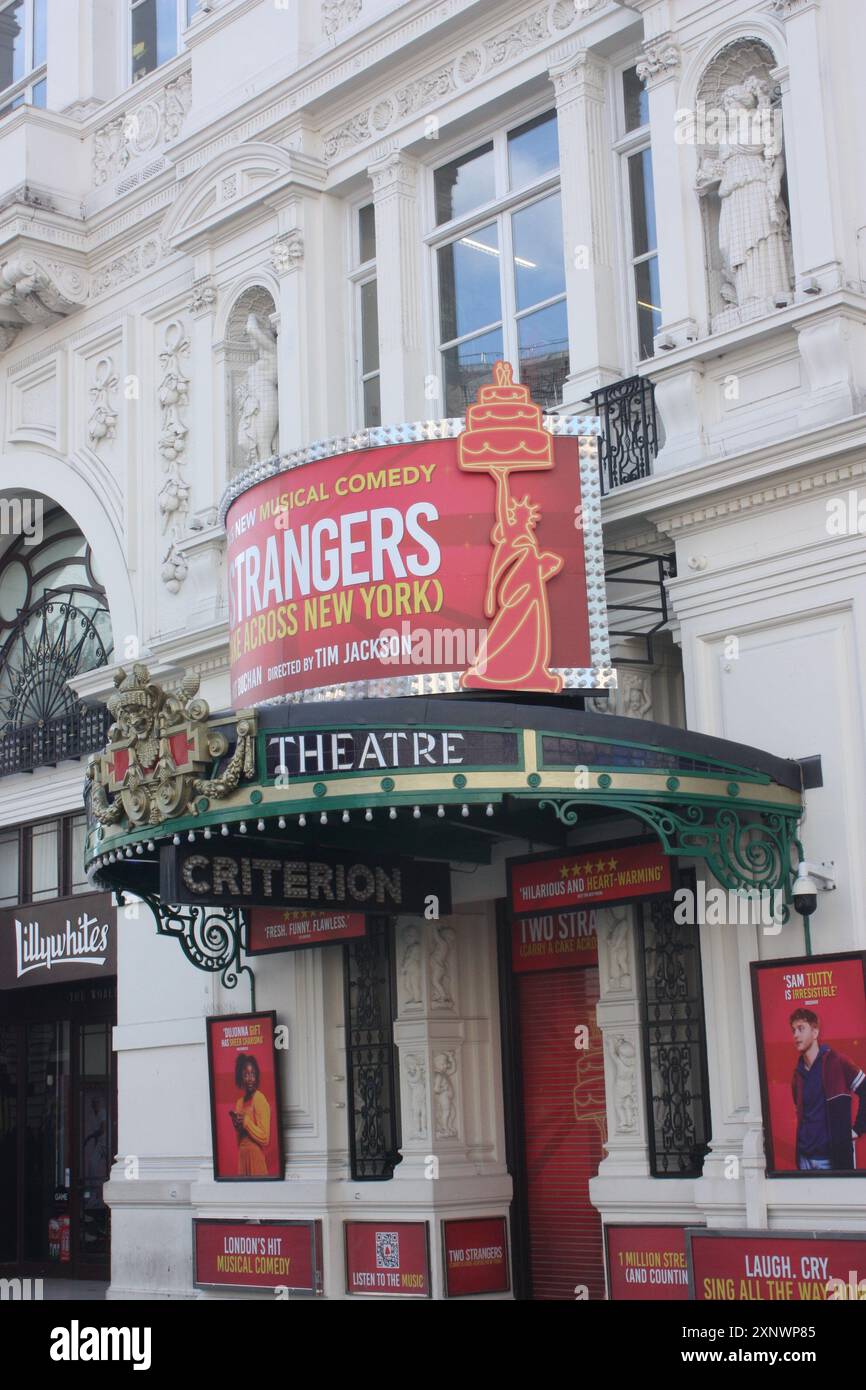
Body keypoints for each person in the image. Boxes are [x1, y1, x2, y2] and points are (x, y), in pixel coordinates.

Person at [789, 1008, 866, 1171]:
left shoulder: (837, 1061)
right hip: (804, 1158)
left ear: (815, 1032)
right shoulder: (797, 1075)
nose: (795, 1035)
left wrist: (858, 1129)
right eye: (793, 1030)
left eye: (801, 1028)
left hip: (831, 1159)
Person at [229, 1053, 272, 1177]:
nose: (250, 1078)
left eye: (253, 1074)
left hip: (255, 1158)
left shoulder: (259, 1099)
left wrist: (246, 1122)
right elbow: (241, 1137)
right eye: (246, 1075)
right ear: (240, 1077)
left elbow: (265, 1138)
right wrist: (237, 1124)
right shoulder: (239, 1103)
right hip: (242, 1157)